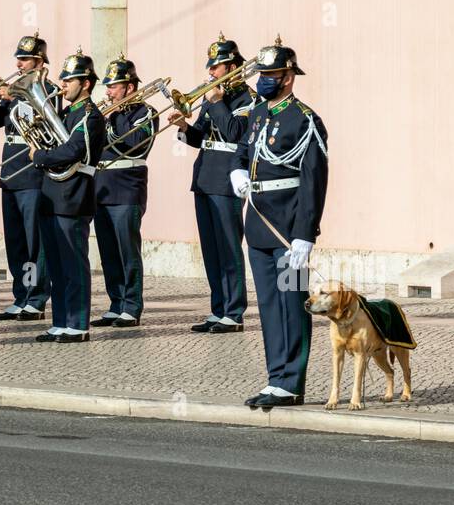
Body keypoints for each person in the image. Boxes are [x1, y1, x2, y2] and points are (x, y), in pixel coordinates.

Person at [228, 37, 328, 409]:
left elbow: (313, 182)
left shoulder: (304, 119)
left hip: (287, 231)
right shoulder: (256, 114)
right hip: (257, 226)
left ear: (288, 77)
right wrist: (237, 172)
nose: (264, 80)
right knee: (270, 305)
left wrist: (305, 234)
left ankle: (292, 381)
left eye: (271, 74)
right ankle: (276, 378)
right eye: (262, 74)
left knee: (292, 304)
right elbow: (243, 152)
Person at [170, 34, 254, 334]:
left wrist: (217, 102)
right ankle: (218, 310)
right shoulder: (212, 96)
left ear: (232, 66)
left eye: (216, 68)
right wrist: (183, 128)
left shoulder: (248, 99)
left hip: (227, 181)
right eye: (212, 68)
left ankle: (234, 312)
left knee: (228, 247)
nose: (211, 73)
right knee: (211, 249)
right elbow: (202, 138)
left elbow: (234, 133)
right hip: (204, 179)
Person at [30, 49, 106, 343]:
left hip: (74, 194)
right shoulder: (66, 113)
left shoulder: (91, 116)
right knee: (55, 264)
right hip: (52, 191)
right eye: (62, 79)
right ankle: (60, 321)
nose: (63, 85)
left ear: (85, 83)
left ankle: (77, 323)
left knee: (73, 262)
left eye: (69, 80)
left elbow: (75, 150)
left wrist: (41, 156)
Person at [0, 33, 53, 321]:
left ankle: (36, 297)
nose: (19, 63)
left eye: (25, 59)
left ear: (39, 62)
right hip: (11, 173)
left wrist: (15, 95)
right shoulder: (12, 91)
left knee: (34, 242)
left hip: (32, 175)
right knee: (16, 242)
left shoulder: (48, 91)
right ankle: (21, 294)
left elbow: (48, 123)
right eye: (19, 58)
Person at [93, 56, 155, 328]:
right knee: (108, 250)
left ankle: (132, 305)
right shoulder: (107, 113)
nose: (108, 91)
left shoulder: (146, 113)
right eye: (108, 86)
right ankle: (115, 302)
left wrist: (113, 117)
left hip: (128, 187)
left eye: (113, 86)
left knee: (127, 249)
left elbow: (134, 144)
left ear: (129, 87)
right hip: (101, 186)